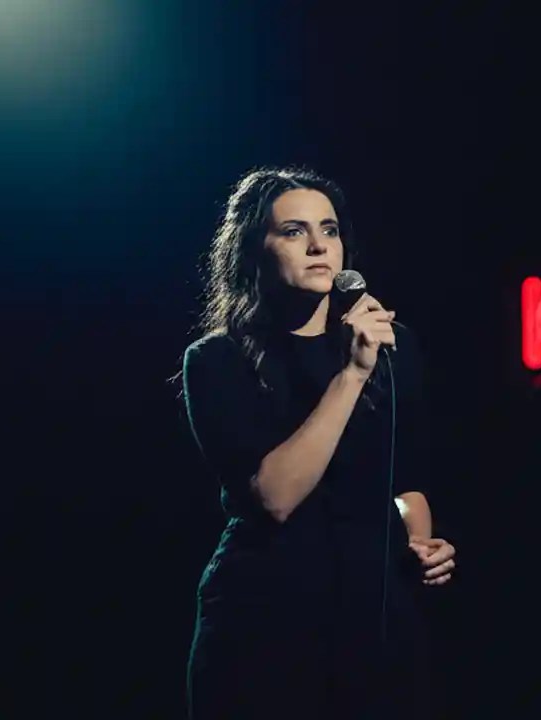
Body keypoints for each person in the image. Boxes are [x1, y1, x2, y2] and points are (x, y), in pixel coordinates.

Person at [180, 166, 456, 719]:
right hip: (265, 621)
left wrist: (421, 544)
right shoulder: (217, 360)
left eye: (329, 230)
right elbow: (275, 497)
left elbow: (406, 483)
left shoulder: (392, 346)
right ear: (253, 252)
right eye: (293, 231)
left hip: (374, 614)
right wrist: (351, 374)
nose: (318, 246)